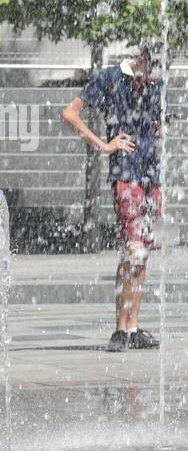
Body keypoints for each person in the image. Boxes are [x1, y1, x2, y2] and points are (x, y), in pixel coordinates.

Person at [62, 42, 167, 352]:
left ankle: (132, 327)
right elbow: (69, 114)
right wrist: (104, 144)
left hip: (152, 177)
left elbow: (153, 125)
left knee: (143, 251)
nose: (156, 77)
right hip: (126, 176)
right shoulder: (109, 77)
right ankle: (120, 328)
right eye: (153, 69)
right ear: (142, 60)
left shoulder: (153, 85)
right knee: (132, 250)